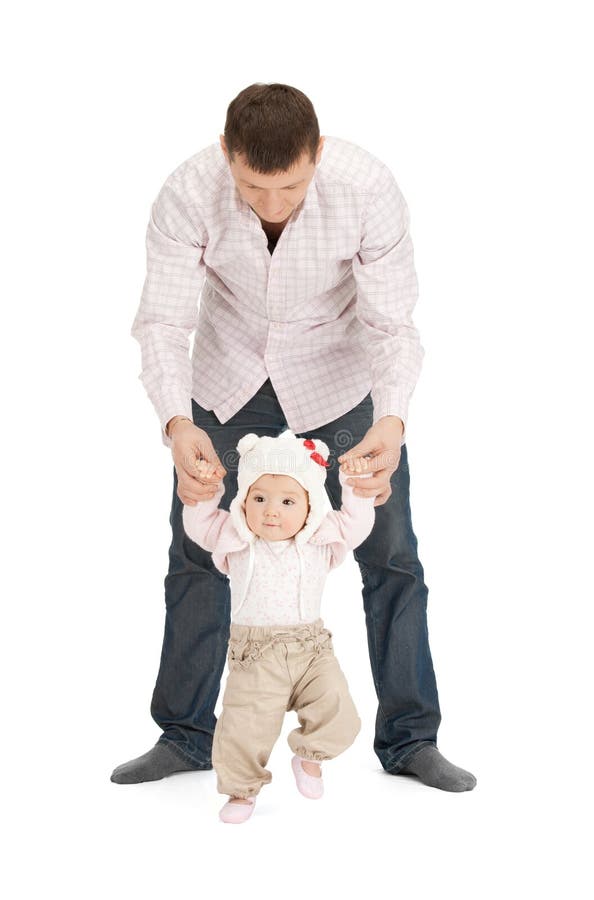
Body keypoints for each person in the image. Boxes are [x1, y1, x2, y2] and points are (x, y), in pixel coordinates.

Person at [112, 82, 476, 793]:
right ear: (227, 157)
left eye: (292, 186)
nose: (271, 204)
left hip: (337, 380)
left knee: (391, 555)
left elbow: (393, 327)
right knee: (198, 550)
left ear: (317, 153)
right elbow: (161, 322)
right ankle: (186, 734)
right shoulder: (189, 190)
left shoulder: (366, 188)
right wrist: (176, 423)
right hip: (225, 378)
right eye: (253, 185)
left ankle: (409, 740)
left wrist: (392, 421)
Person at [182, 428, 375, 823]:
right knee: (242, 730)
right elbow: (199, 524)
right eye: (259, 498)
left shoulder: (321, 537)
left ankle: (309, 755)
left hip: (311, 651)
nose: (271, 511)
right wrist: (206, 487)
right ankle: (241, 791)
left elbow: (356, 524)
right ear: (244, 502)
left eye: (287, 501)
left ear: (309, 505)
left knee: (339, 710)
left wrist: (355, 488)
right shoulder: (236, 536)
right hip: (256, 654)